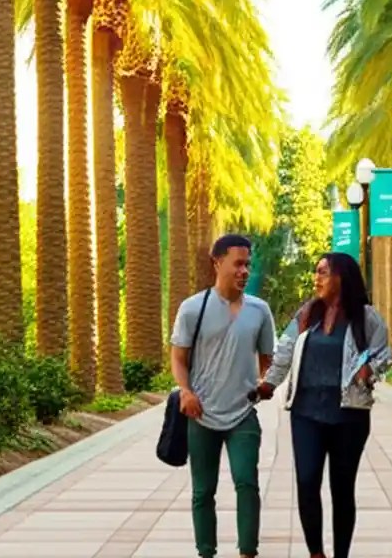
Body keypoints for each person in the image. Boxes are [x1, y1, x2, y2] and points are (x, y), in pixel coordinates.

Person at [258, 252, 392, 558]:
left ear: (341, 277)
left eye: (323, 272)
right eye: (316, 272)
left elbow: (385, 355)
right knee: (307, 482)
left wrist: (369, 369)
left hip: (350, 416)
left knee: (342, 489)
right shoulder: (307, 314)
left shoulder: (366, 317)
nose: (316, 278)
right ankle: (316, 553)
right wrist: (268, 385)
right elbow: (285, 351)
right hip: (306, 413)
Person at [171, 234, 276, 558]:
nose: (244, 270)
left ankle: (248, 552)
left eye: (248, 264)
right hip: (200, 413)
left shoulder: (260, 311)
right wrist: (185, 393)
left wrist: (263, 383)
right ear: (217, 263)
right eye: (238, 263)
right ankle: (206, 552)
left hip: (242, 414)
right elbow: (178, 357)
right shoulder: (193, 308)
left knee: (247, 482)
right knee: (203, 491)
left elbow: (267, 359)